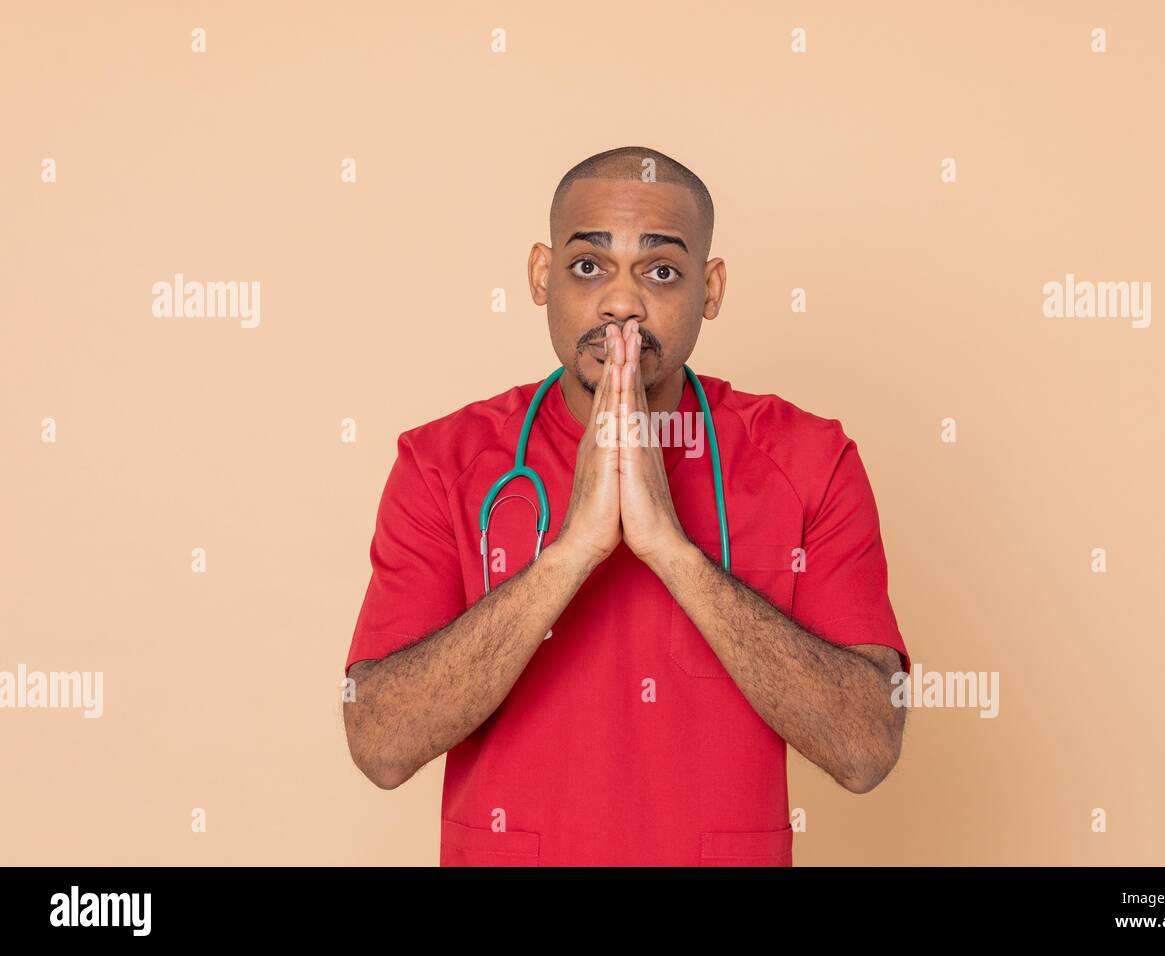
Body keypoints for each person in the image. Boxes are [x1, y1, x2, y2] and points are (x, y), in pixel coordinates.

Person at [342, 146, 911, 866]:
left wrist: (670, 548)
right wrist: (575, 548)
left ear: (710, 289)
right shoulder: (441, 463)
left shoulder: (811, 460)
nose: (620, 302)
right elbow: (380, 746)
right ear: (542, 276)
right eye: (588, 267)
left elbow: (865, 750)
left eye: (661, 272)